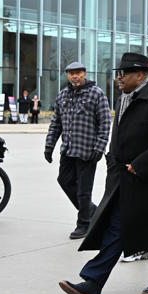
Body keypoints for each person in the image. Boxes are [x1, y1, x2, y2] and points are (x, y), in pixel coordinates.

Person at [58, 52, 148, 294]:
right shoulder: (125, 97)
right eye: (118, 73)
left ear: (140, 75)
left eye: (123, 74)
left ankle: (95, 282)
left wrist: (140, 165)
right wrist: (111, 159)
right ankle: (94, 285)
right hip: (122, 179)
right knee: (123, 229)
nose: (119, 78)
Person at [45, 61, 112, 239]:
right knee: (64, 180)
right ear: (67, 75)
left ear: (84, 74)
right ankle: (92, 212)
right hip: (68, 149)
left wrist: (99, 148)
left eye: (78, 73)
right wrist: (49, 146)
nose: (74, 76)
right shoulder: (62, 95)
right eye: (71, 73)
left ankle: (84, 223)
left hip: (87, 150)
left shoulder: (96, 94)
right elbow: (55, 123)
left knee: (84, 190)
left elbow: (105, 123)